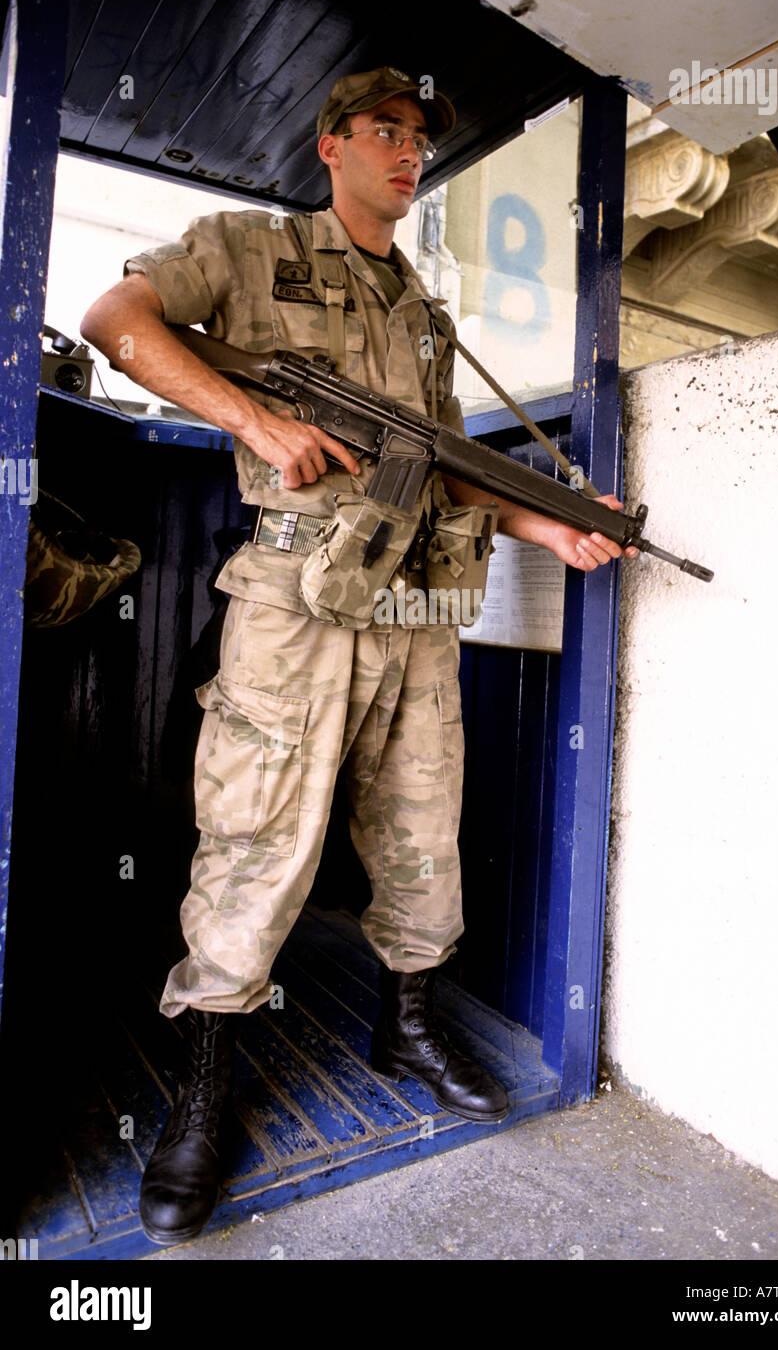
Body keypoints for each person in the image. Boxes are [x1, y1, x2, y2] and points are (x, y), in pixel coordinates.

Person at [81, 66, 638, 1246]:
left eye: (417, 139)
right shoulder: (243, 246)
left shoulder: (424, 314)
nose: (406, 153)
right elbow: (115, 325)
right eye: (382, 132)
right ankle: (203, 1088)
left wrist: (553, 524)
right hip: (295, 601)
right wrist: (254, 420)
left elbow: (429, 472)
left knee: (420, 828)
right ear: (330, 146)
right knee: (258, 836)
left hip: (420, 612)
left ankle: (408, 1023)